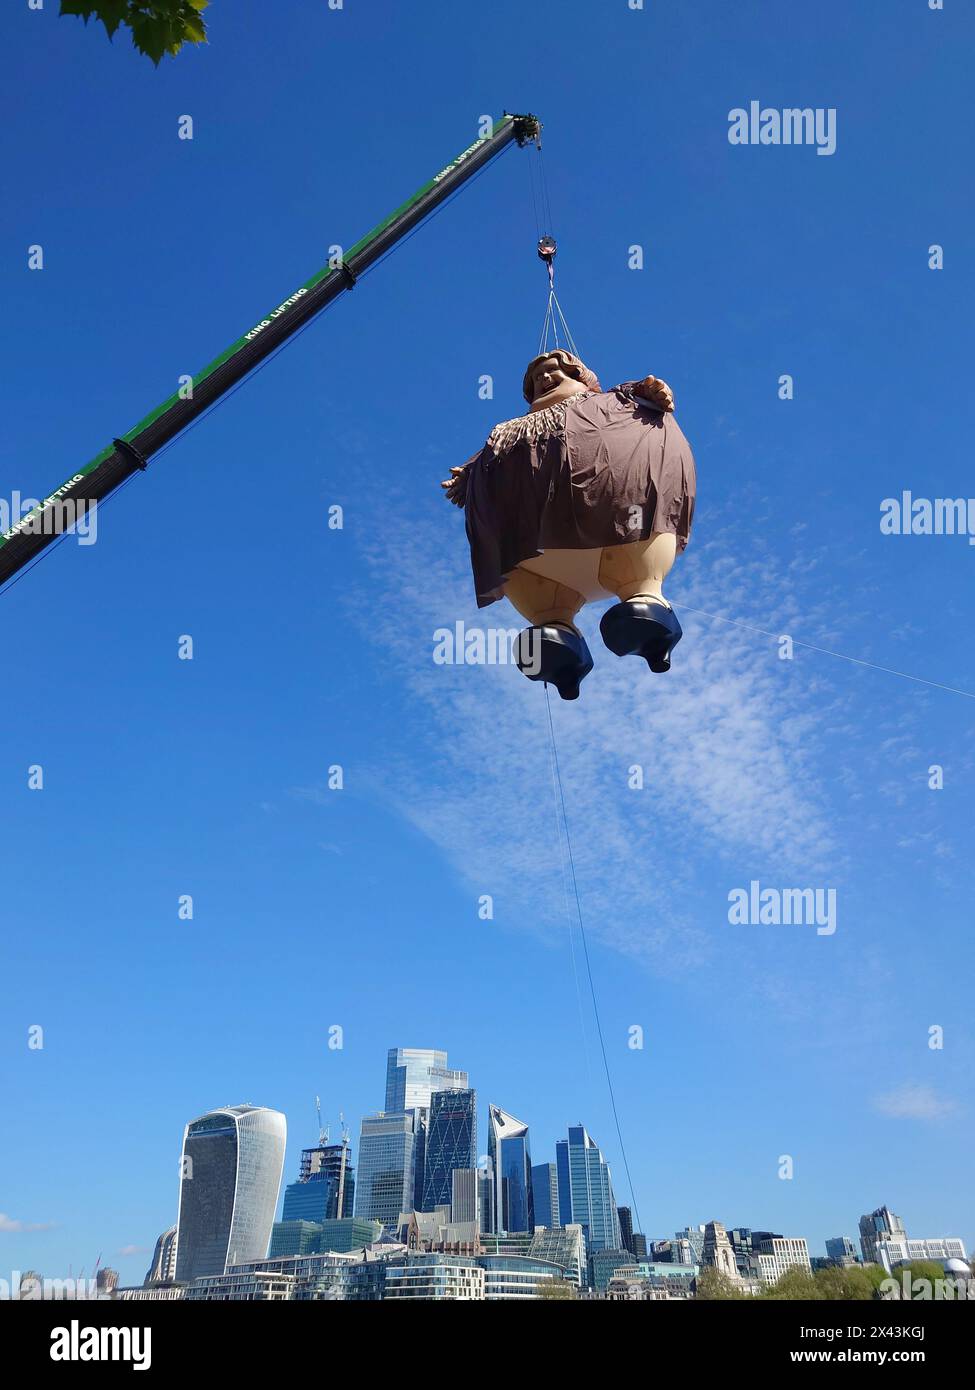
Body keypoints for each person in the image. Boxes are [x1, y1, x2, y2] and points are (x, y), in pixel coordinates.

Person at [442, 349, 697, 699]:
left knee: (633, 537)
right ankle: (555, 628)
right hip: (534, 553)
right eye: (536, 379)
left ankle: (644, 599)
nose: (544, 379)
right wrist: (468, 476)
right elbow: (482, 460)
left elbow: (645, 392)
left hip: (618, 530)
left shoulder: (614, 401)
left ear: (581, 377)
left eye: (552, 372)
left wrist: (650, 391)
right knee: (530, 583)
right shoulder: (506, 432)